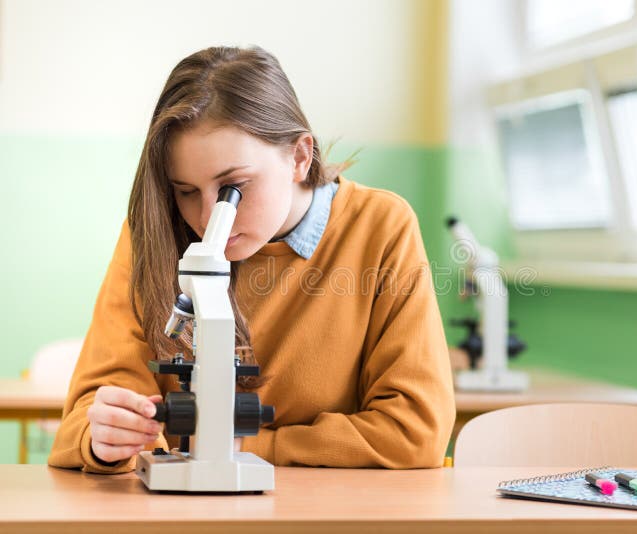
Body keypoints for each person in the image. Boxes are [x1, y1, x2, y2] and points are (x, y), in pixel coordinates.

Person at [48, 46, 455, 473]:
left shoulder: (380, 227)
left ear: (299, 156)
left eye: (233, 188)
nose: (208, 220)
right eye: (185, 191)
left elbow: (416, 432)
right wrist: (105, 439)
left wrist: (243, 446)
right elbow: (83, 421)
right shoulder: (153, 232)